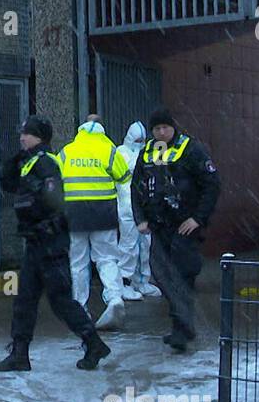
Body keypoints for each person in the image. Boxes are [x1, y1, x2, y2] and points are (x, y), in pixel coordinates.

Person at [0, 115, 110, 372]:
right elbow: (6, 182)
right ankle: (19, 353)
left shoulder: (47, 163)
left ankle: (93, 342)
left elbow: (53, 200)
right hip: (36, 242)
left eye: (28, 134)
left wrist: (39, 205)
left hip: (51, 242)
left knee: (61, 301)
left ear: (40, 137)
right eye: (22, 133)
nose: (22, 137)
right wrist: (15, 159)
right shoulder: (29, 162)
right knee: (24, 299)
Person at [131, 108, 220, 353]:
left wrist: (197, 218)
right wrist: (140, 218)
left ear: (173, 127)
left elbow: (212, 185)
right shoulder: (148, 152)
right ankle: (182, 324)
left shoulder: (190, 149)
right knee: (162, 276)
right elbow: (136, 187)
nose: (161, 132)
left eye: (165, 128)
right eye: (156, 129)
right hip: (159, 226)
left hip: (184, 226)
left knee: (182, 275)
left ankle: (182, 328)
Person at [57, 118, 131, 331]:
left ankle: (80, 307)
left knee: (77, 263)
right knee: (107, 258)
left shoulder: (67, 151)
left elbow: (57, 178)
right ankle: (115, 298)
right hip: (103, 214)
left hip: (74, 215)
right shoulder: (109, 149)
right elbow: (124, 176)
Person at [115, 121, 161, 301]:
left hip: (143, 207)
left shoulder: (150, 152)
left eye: (143, 140)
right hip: (127, 207)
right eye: (137, 139)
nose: (140, 143)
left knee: (145, 245)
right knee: (128, 246)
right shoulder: (121, 152)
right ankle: (123, 283)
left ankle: (142, 281)